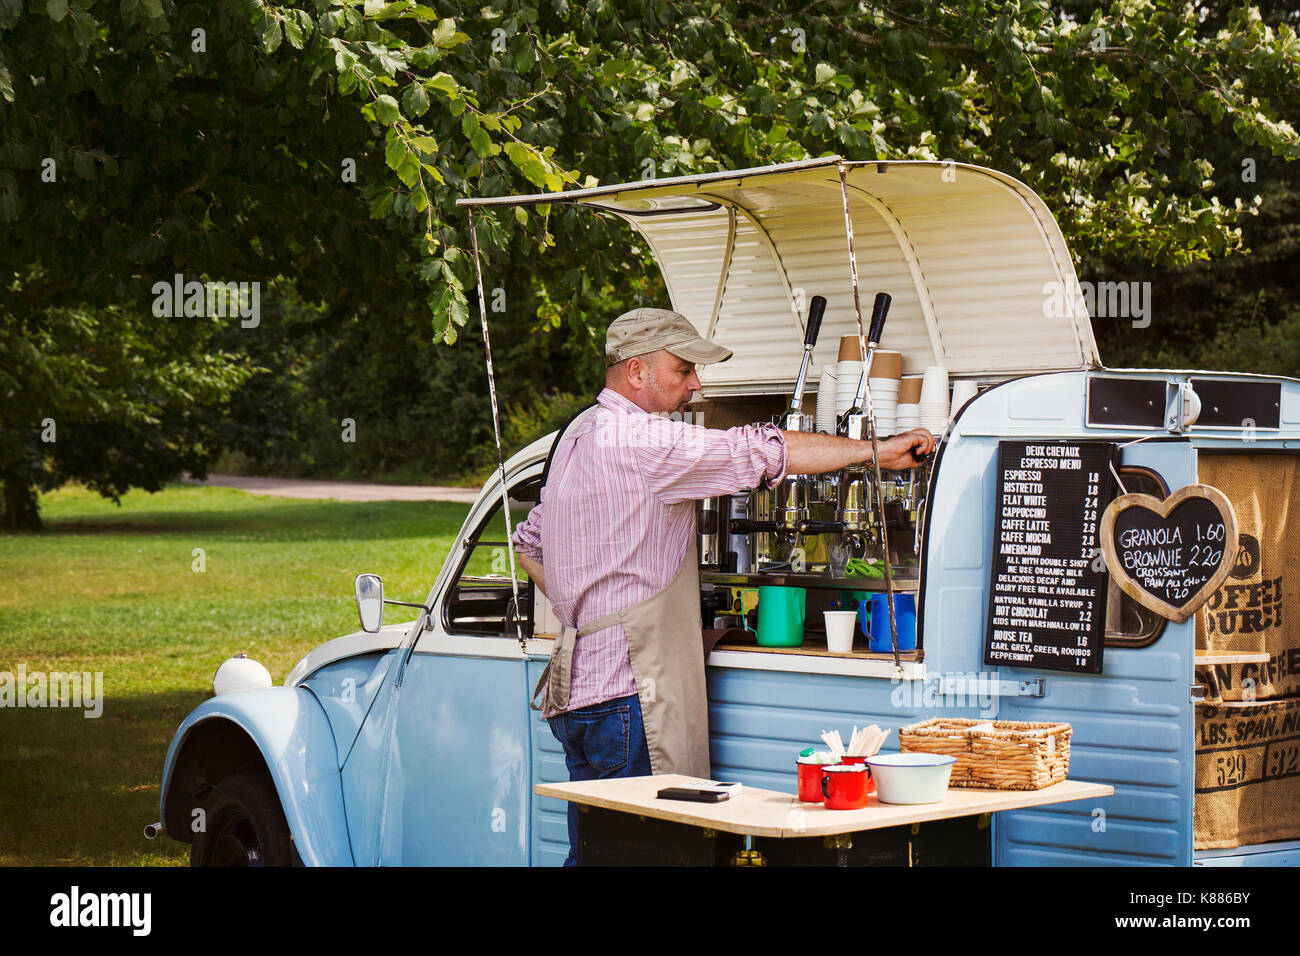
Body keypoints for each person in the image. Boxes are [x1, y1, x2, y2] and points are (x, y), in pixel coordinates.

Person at [511, 307, 934, 864]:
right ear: (636, 370)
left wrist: (592, 608)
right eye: (683, 369)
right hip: (631, 697)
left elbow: (528, 543)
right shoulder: (646, 442)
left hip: (580, 696)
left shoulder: (578, 435)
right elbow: (765, 450)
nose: (696, 384)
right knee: (654, 855)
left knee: (596, 853)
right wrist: (876, 451)